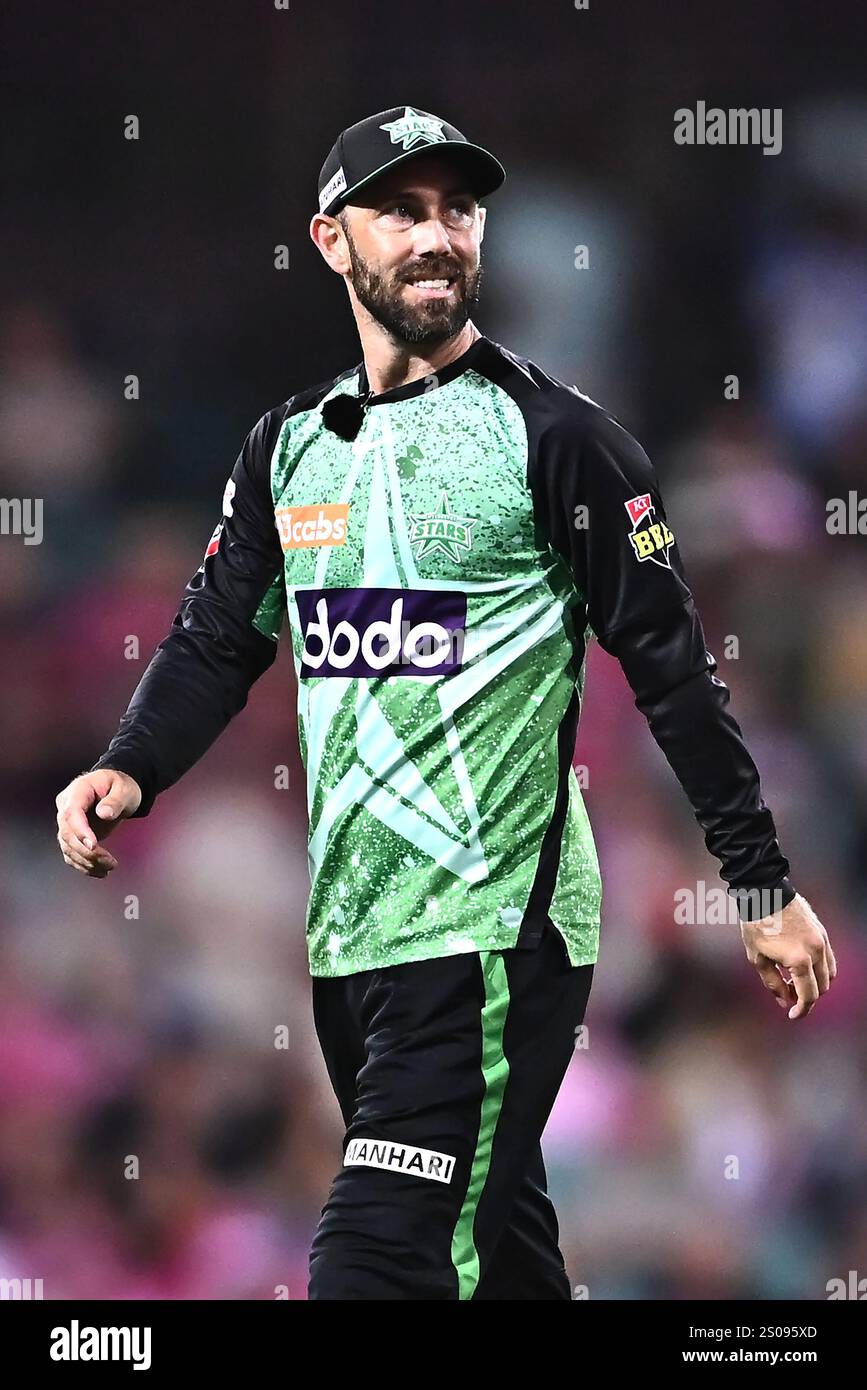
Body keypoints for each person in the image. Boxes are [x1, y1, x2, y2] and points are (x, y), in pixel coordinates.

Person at [55, 105, 837, 1300]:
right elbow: (220, 634)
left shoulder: (561, 441)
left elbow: (674, 667)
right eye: (402, 210)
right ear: (331, 240)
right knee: (499, 1258)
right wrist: (132, 765)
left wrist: (762, 885)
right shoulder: (285, 448)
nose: (437, 237)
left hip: (492, 936)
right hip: (351, 941)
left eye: (457, 211)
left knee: (373, 1260)